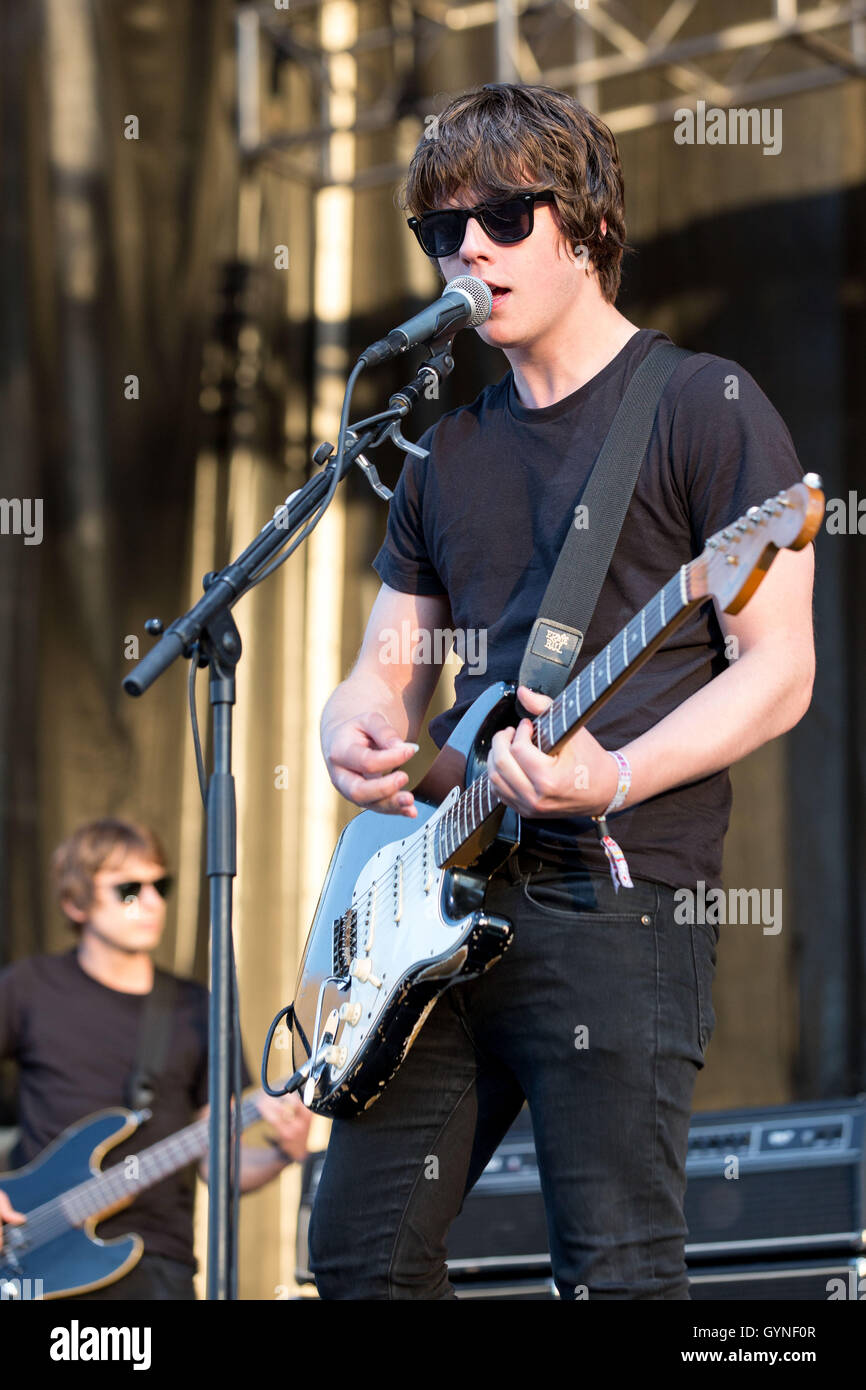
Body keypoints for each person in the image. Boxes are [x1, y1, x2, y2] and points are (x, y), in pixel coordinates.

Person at [308, 83, 816, 1300]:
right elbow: (389, 668)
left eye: (500, 215)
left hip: (611, 899)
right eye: (440, 230)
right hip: (438, 903)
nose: (467, 248)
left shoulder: (700, 405)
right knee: (357, 1257)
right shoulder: (449, 449)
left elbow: (779, 669)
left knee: (615, 1271)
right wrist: (354, 725)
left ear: (584, 227)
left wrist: (616, 773)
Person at [0, 817, 311, 1299]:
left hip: (155, 1262)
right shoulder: (28, 988)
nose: (151, 902)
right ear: (75, 903)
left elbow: (220, 1167)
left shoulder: (197, 1008)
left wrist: (282, 1153)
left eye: (159, 885)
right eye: (129, 888)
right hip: (27, 1257)